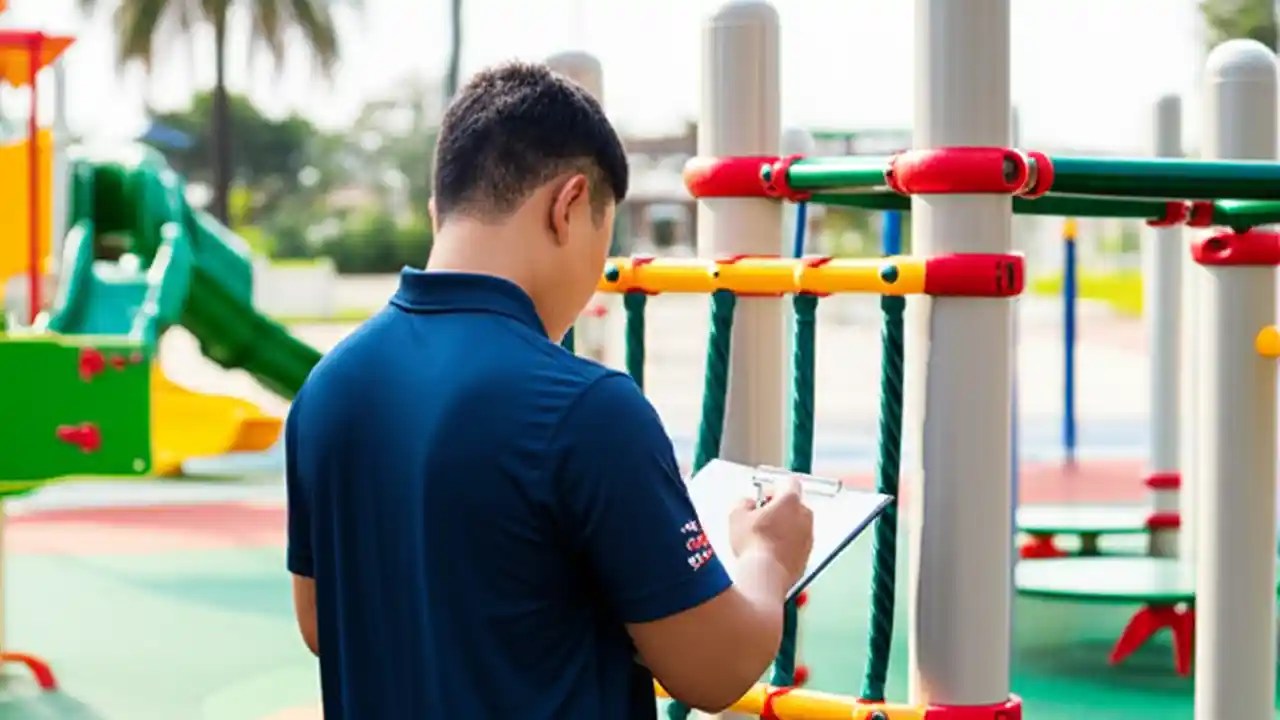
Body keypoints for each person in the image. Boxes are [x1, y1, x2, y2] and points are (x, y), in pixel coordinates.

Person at [285, 60, 814, 719]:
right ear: (568, 207)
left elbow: (321, 624)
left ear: (437, 208)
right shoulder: (586, 409)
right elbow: (713, 669)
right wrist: (768, 556)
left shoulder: (327, 390)